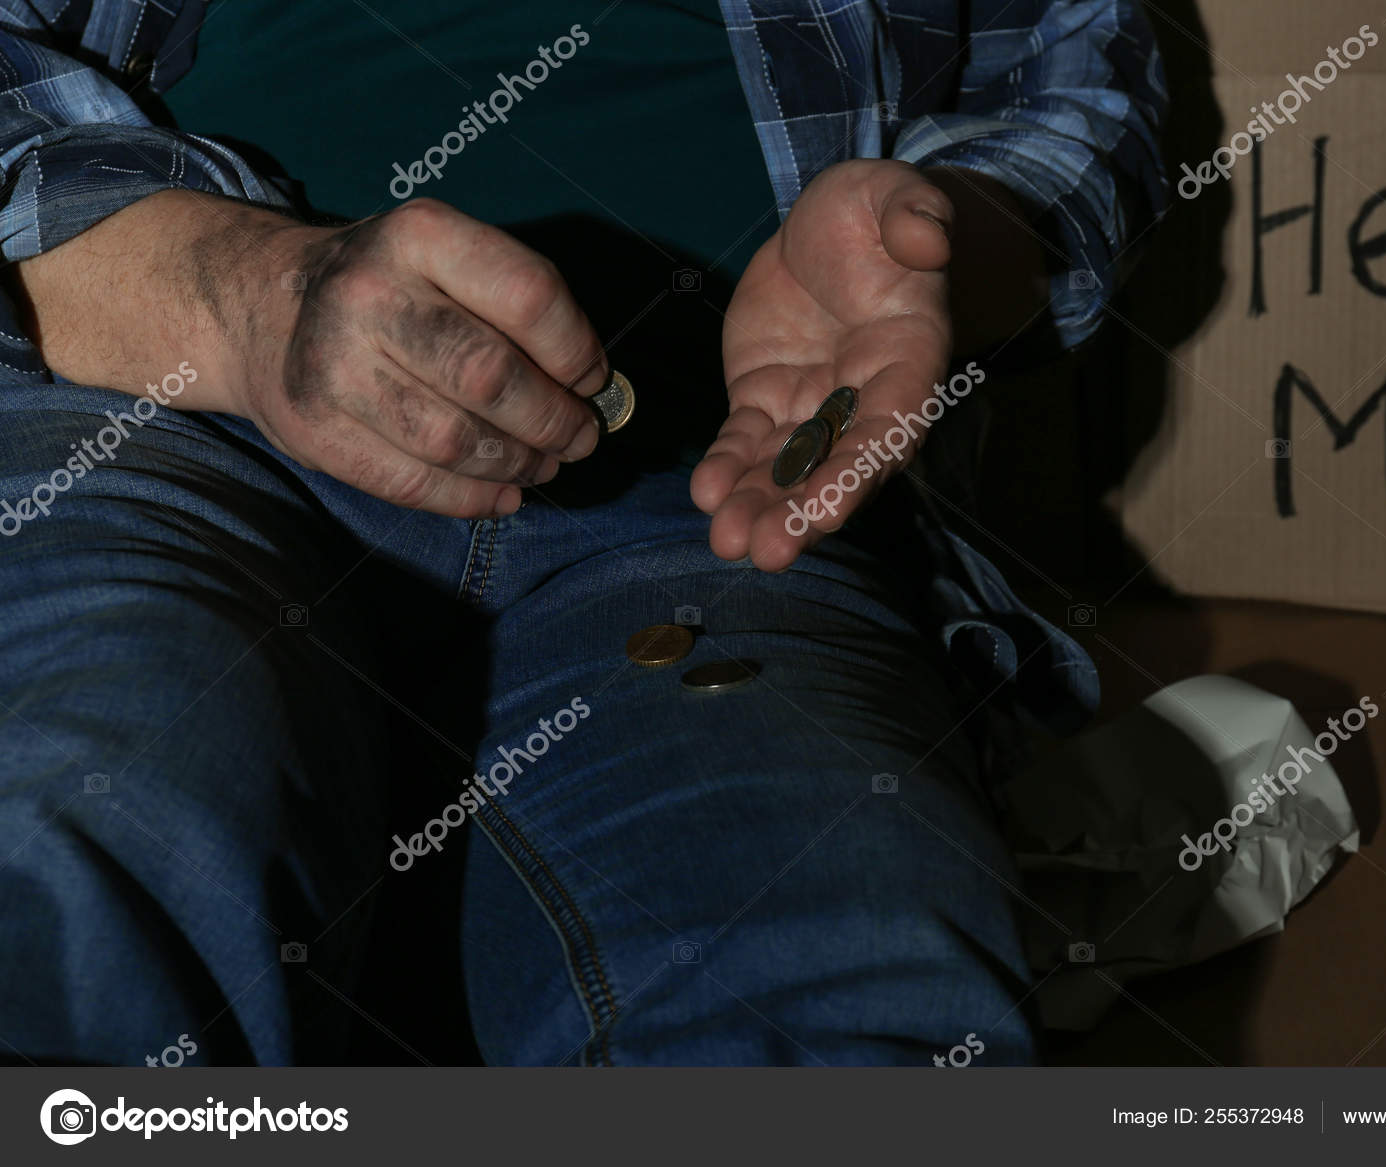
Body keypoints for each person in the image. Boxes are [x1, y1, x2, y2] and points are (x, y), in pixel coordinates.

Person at [0, 0, 1165, 1065]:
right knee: (70, 835)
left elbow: (1076, 96)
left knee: (830, 966)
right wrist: (245, 296)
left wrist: (932, 243)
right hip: (157, 434)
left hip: (706, 503)